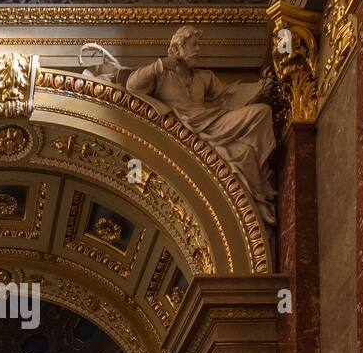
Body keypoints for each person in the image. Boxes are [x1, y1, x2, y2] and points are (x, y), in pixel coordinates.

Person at [81, 25, 276, 226]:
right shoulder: (163, 75)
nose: (198, 50)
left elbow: (229, 93)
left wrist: (258, 87)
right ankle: (259, 199)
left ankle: (261, 187)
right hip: (186, 130)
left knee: (262, 112)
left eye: (198, 45)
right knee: (244, 154)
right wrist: (160, 65)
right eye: (194, 45)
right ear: (177, 48)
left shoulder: (204, 77)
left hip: (215, 121)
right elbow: (132, 85)